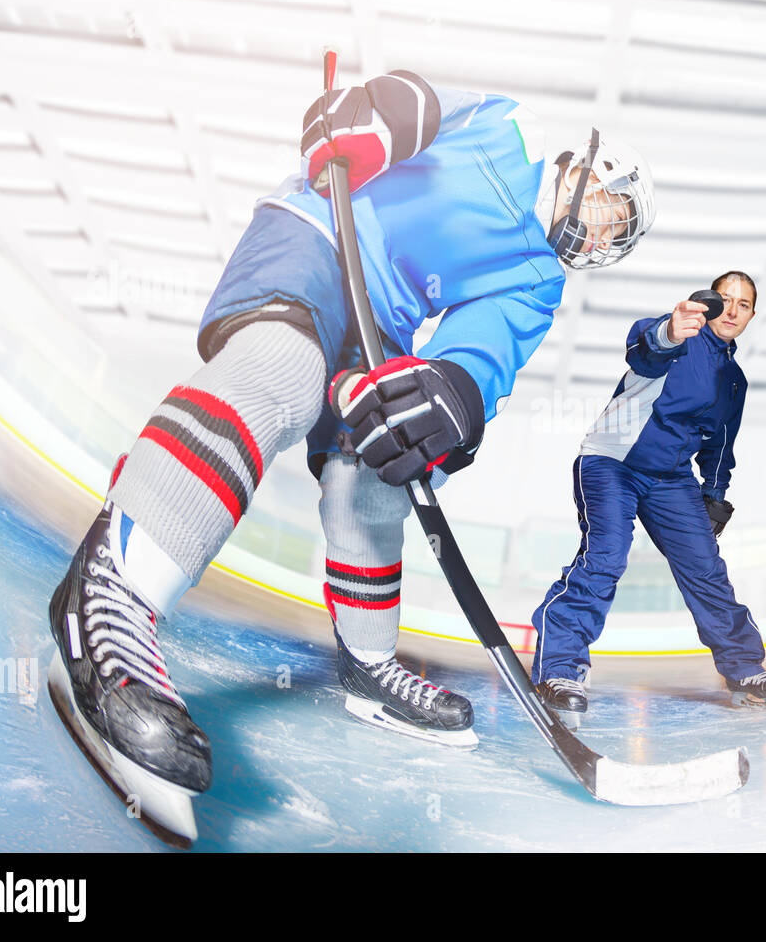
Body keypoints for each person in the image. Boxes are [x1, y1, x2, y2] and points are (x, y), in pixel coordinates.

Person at [46, 69, 656, 836]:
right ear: (593, 169)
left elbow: (483, 355)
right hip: (315, 231)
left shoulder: (537, 282)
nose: (600, 236)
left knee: (378, 474)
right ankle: (113, 594)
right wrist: (380, 116)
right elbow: (423, 99)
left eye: (612, 239)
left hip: (385, 322)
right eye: (610, 213)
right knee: (284, 369)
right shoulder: (510, 124)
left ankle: (367, 664)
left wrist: (448, 398)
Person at [530, 270, 766, 728]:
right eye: (724, 299)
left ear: (750, 316)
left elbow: (720, 444)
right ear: (706, 302)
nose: (732, 310)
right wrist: (669, 330)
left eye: (743, 304)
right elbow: (644, 349)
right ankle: (560, 671)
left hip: (670, 479)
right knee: (606, 557)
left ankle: (745, 668)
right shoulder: (679, 336)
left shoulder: (734, 380)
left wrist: (714, 494)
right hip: (613, 463)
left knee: (706, 568)